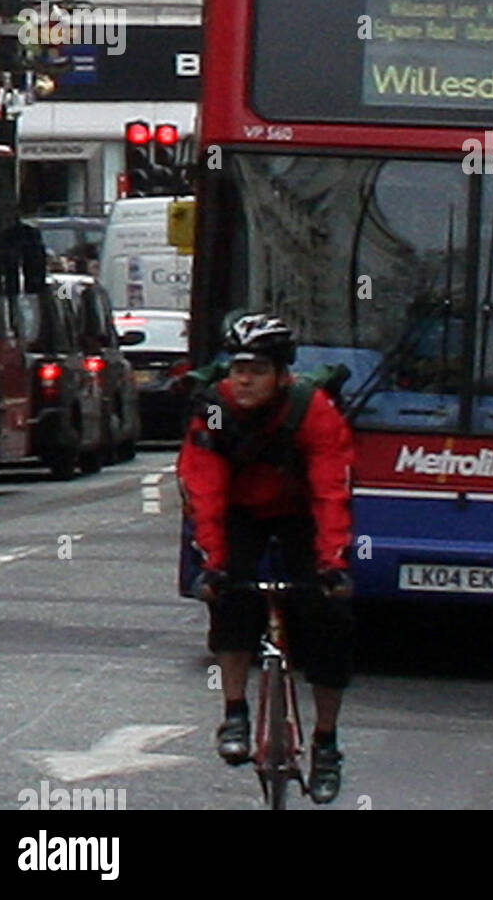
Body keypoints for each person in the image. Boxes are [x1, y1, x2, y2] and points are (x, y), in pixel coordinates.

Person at [177, 313, 353, 804]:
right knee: (230, 593)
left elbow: (331, 491)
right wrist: (212, 562)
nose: (243, 379)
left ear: (281, 375)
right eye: (237, 369)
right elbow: (204, 488)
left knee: (327, 616)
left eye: (256, 370)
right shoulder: (214, 410)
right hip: (239, 511)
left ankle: (326, 744)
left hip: (300, 513)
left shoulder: (312, 409)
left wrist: (332, 562)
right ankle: (235, 711)